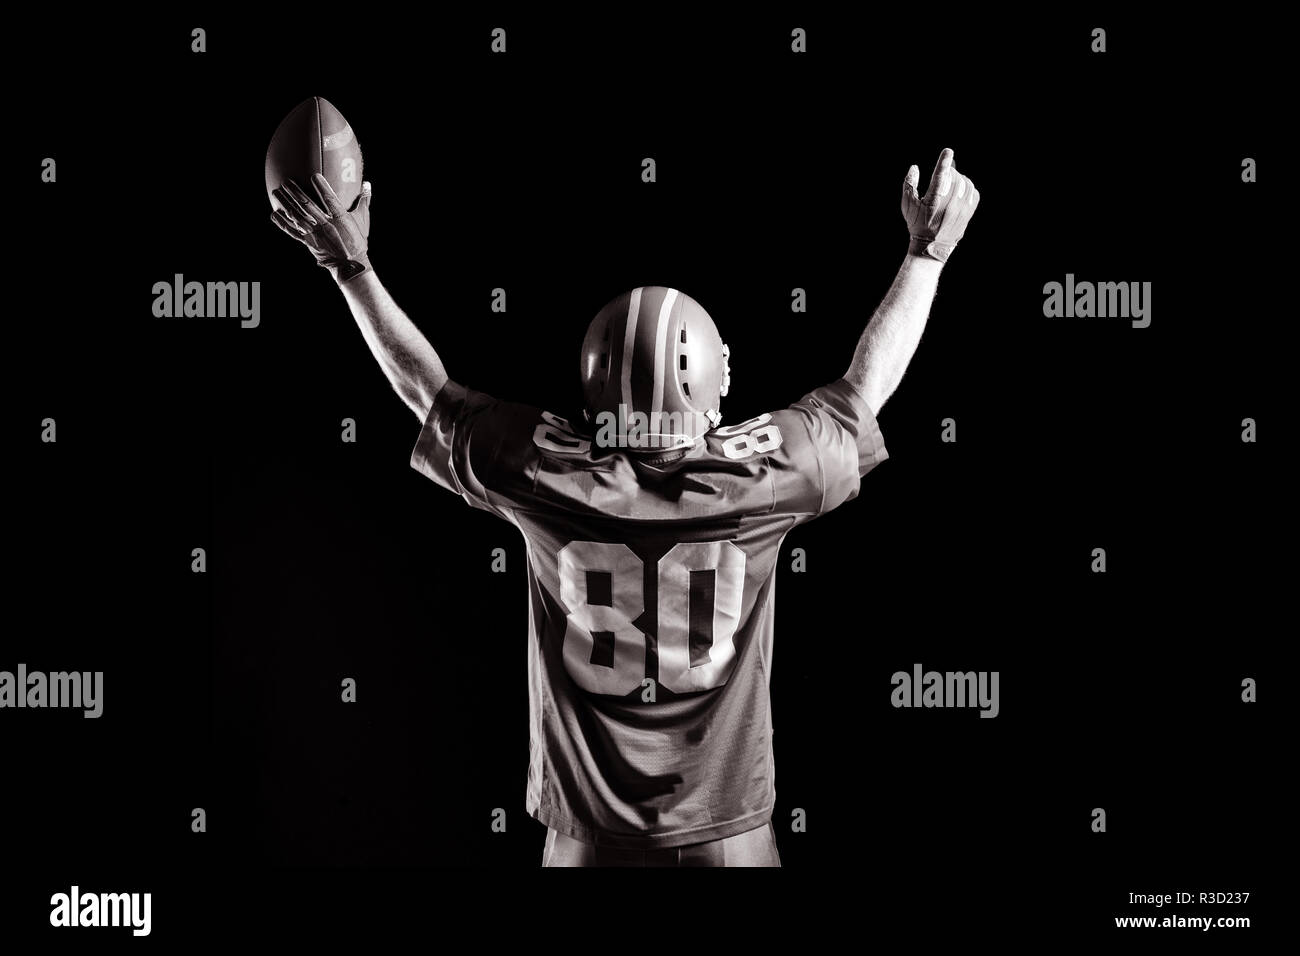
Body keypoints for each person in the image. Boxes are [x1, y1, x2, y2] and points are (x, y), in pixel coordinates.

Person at [270, 148, 979, 866]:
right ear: (707, 377)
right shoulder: (771, 472)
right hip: (726, 833)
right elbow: (867, 389)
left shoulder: (539, 468)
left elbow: (427, 391)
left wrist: (350, 267)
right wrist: (928, 253)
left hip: (589, 838)